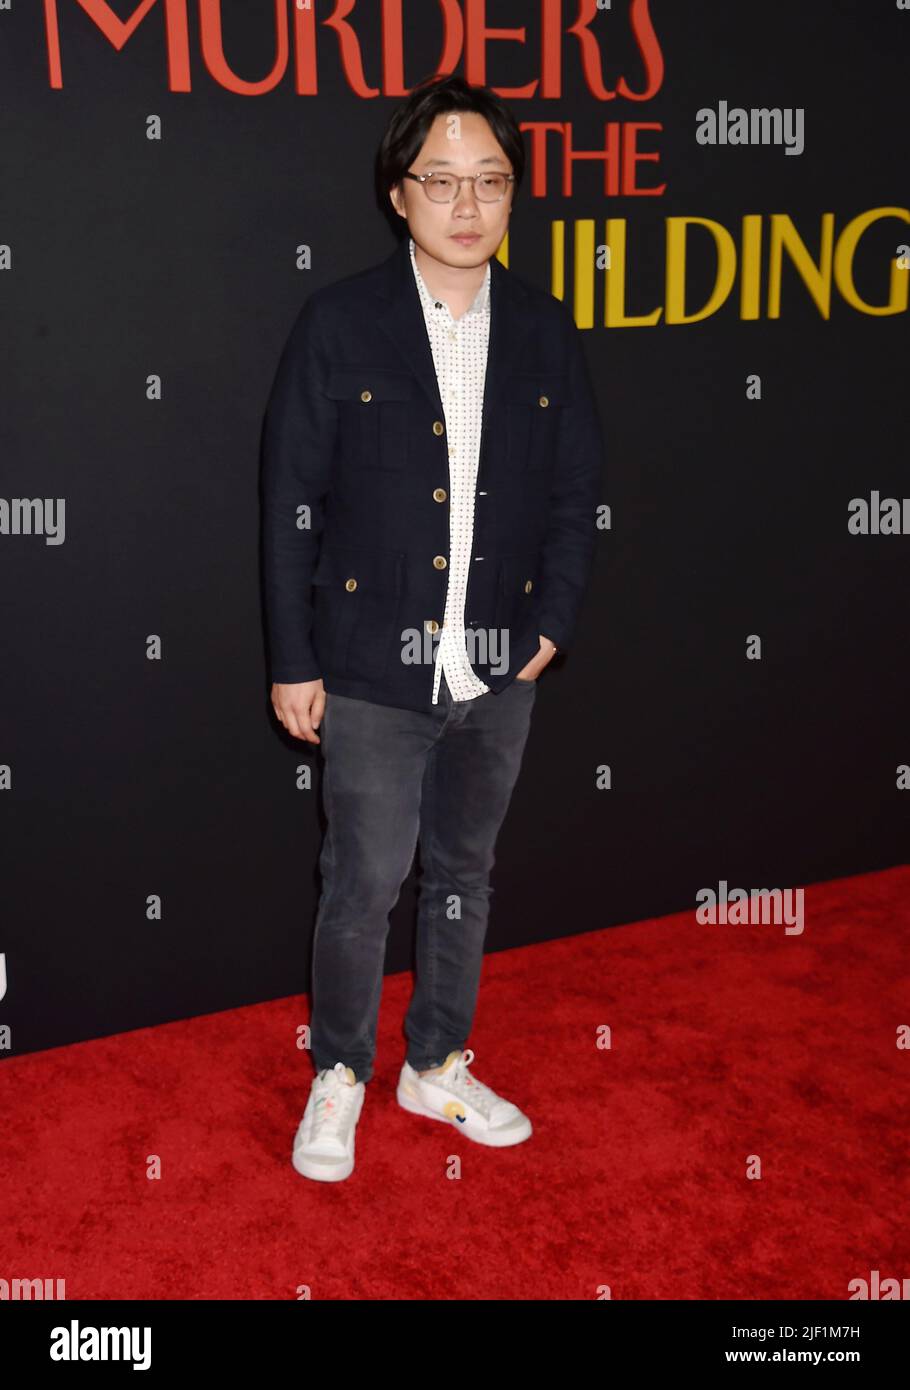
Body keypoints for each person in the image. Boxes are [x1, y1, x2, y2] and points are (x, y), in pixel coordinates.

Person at [260, 74, 605, 1182]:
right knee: (362, 881)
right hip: (366, 670)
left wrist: (549, 623)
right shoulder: (339, 323)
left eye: (490, 183)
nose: (468, 205)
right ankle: (341, 1074)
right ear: (399, 195)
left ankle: (437, 1061)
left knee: (467, 867)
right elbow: (288, 501)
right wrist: (293, 658)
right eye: (442, 182)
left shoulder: (547, 331)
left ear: (513, 198)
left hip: (498, 665)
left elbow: (573, 495)